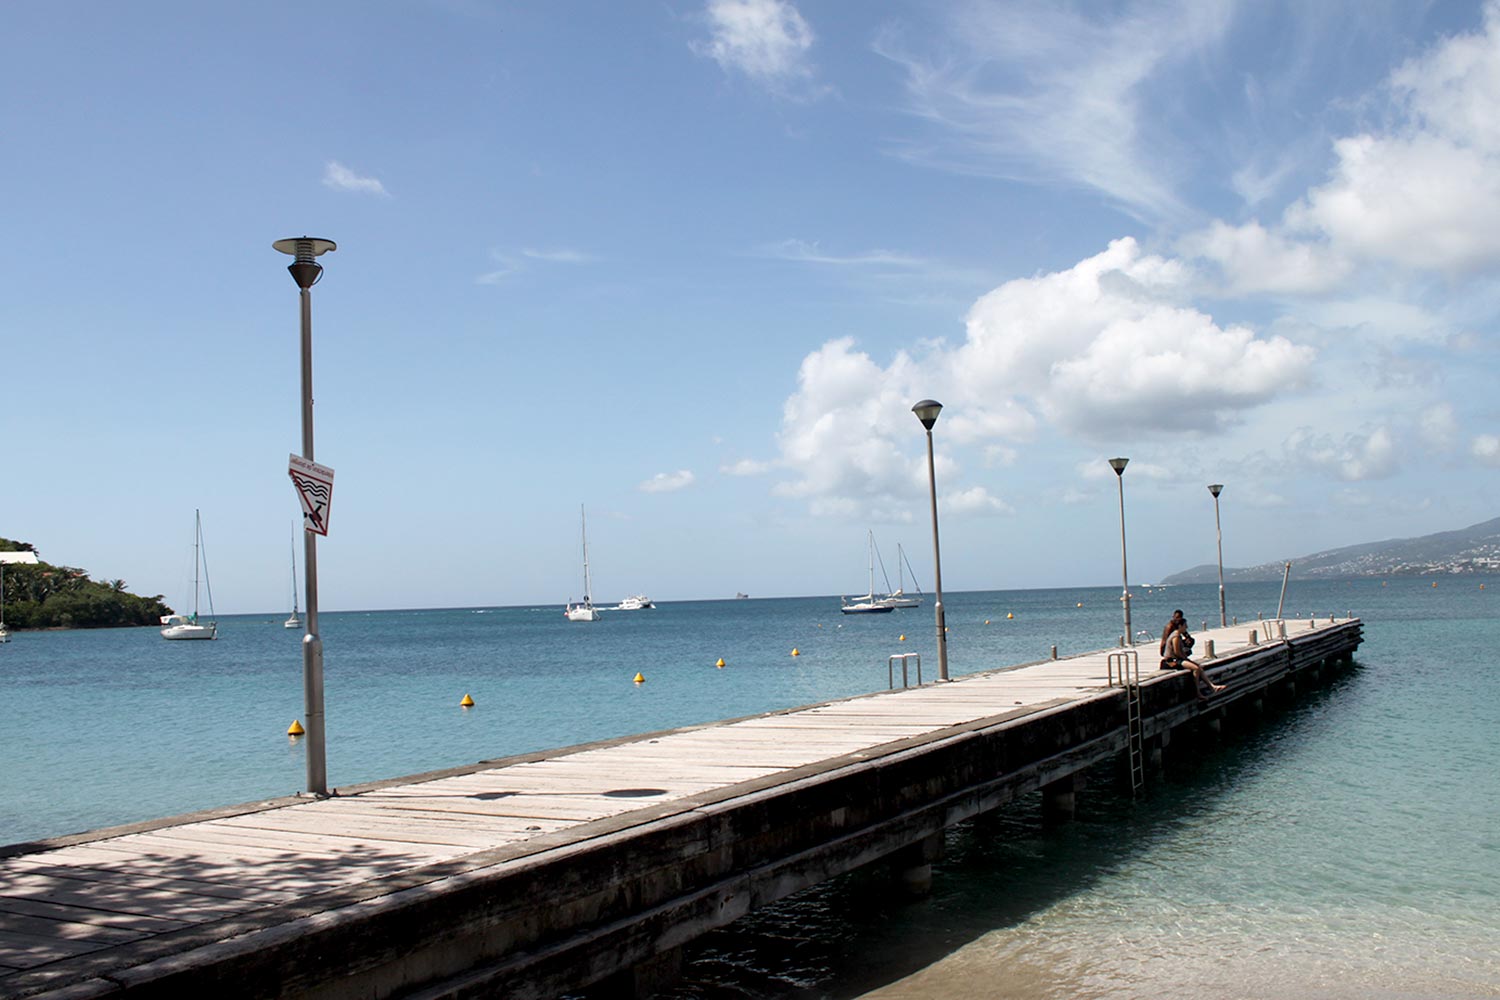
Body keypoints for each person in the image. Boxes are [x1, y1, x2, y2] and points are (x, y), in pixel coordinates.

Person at [1160, 619, 1224, 697]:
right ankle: (1197, 692)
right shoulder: (1175, 636)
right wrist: (1186, 659)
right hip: (1172, 661)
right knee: (1196, 668)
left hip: (1177, 659)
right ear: (1180, 626)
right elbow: (1177, 652)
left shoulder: (1178, 635)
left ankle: (1212, 687)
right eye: (1185, 625)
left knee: (1199, 667)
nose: (1186, 627)